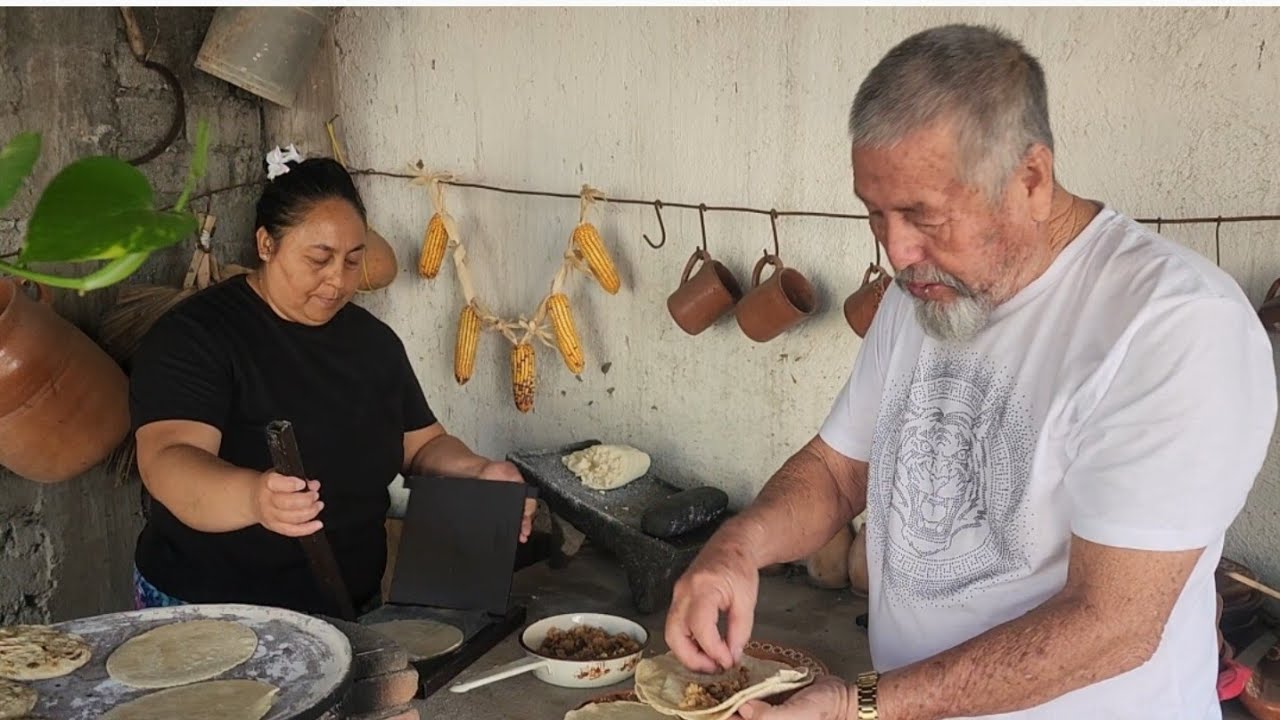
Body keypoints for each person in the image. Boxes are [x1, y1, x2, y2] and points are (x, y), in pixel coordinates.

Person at [664, 23, 1276, 720]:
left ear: (1031, 179)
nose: (897, 250)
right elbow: (838, 473)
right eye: (875, 214)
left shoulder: (1175, 324)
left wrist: (857, 705)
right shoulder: (924, 295)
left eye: (925, 217)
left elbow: (1110, 627)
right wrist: (736, 550)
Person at [128, 150, 536, 616]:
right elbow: (168, 460)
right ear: (266, 244)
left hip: (345, 609)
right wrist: (255, 498)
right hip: (210, 612)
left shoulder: (372, 343)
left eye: (351, 261)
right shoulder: (198, 336)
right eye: (318, 259)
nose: (336, 280)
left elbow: (422, 447)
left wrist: (477, 472)